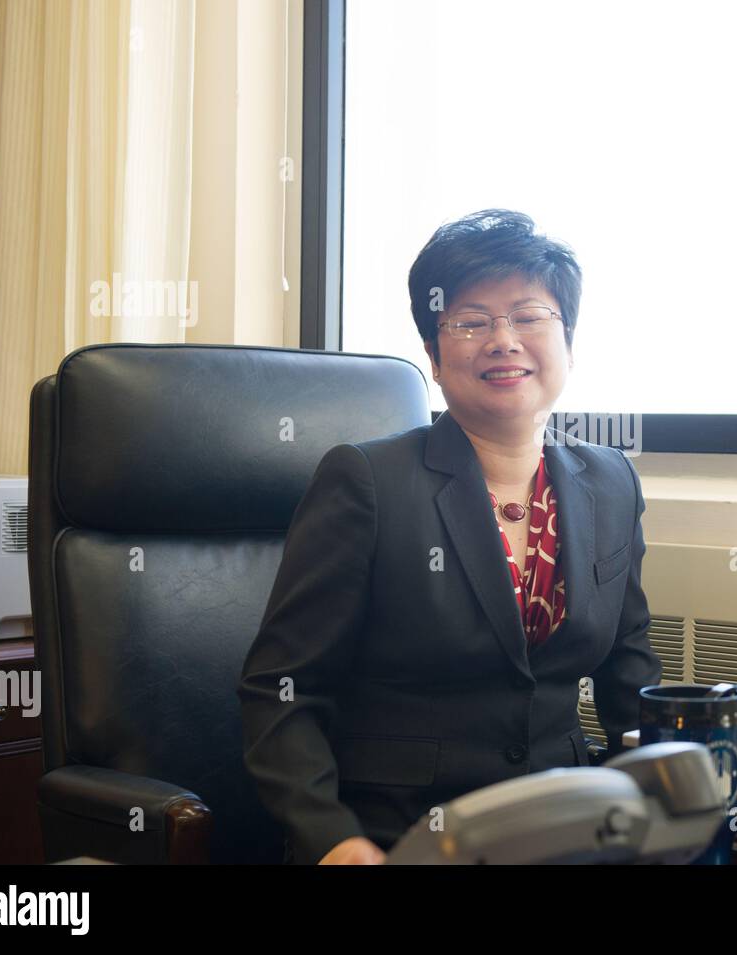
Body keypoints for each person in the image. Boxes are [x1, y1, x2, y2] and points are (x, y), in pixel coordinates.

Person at [237, 209, 662, 864]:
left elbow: (630, 674)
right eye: (470, 321)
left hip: (565, 834)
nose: (503, 339)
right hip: (403, 840)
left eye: (528, 316)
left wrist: (665, 804)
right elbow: (283, 688)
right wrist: (332, 837)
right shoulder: (367, 481)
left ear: (568, 344)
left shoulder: (611, 482)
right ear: (434, 358)